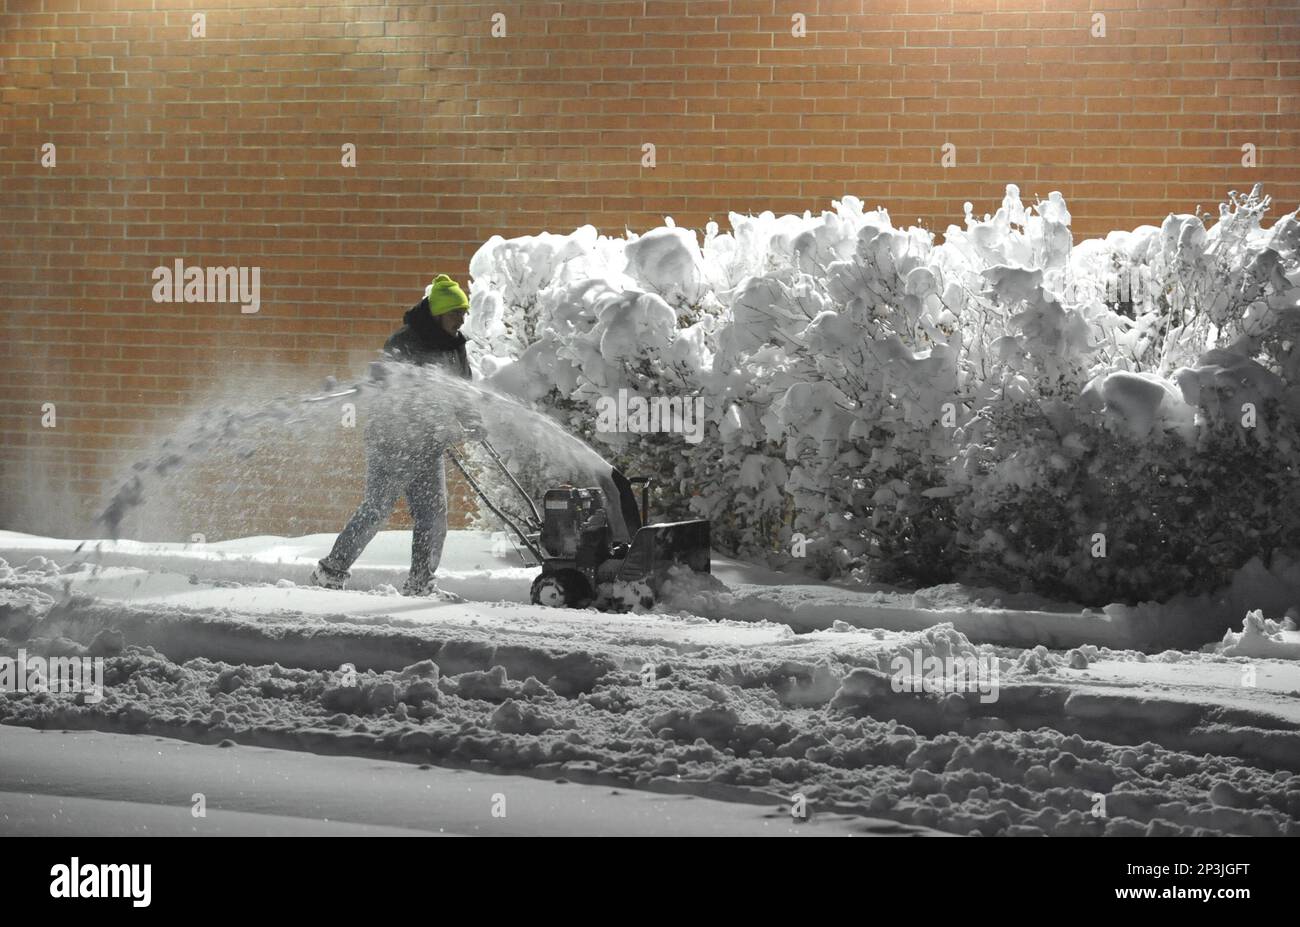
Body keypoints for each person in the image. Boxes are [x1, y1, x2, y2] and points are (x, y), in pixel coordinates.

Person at [312, 274, 485, 597]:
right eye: (455, 313)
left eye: (464, 312)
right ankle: (331, 570)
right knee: (377, 508)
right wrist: (431, 415)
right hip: (392, 440)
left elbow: (462, 390)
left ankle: (421, 583)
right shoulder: (404, 342)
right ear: (438, 313)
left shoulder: (455, 346)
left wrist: (471, 419)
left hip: (427, 445)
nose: (462, 319)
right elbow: (395, 390)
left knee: (433, 515)